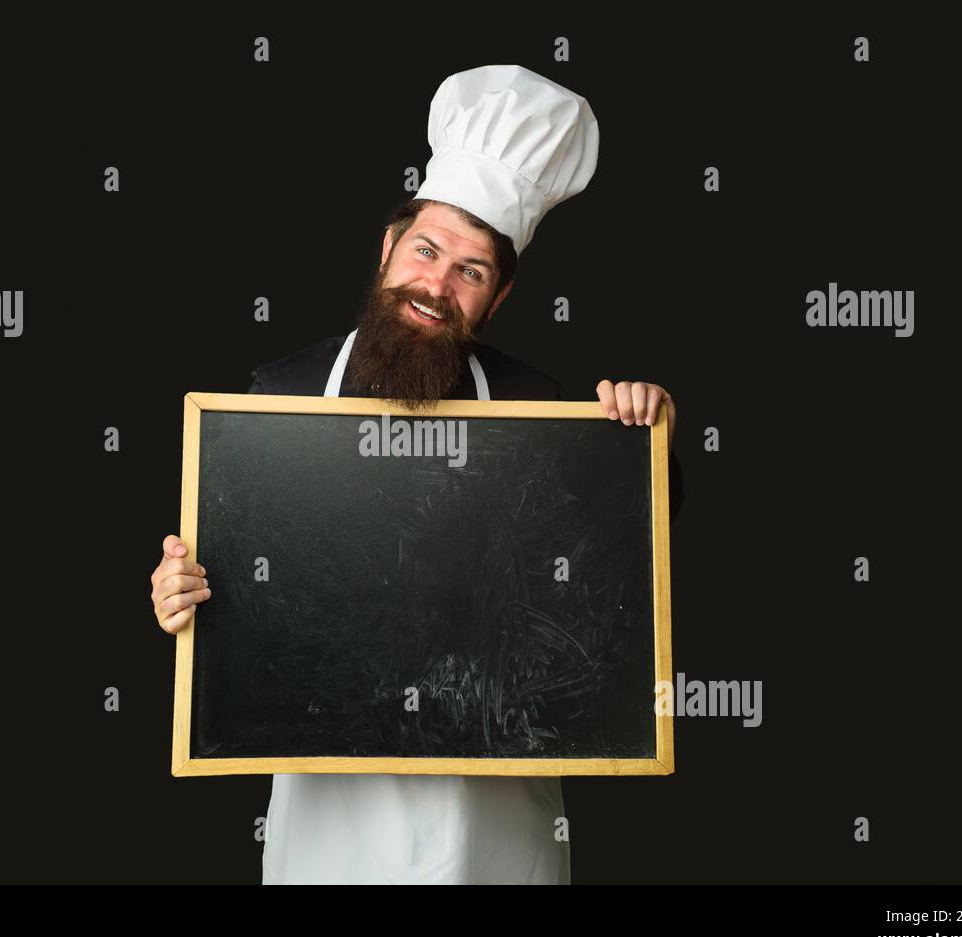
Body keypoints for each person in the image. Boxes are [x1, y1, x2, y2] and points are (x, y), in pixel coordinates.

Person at [148, 65, 684, 884]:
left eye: (470, 271)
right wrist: (179, 596)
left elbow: (616, 579)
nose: (436, 286)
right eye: (427, 251)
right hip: (328, 817)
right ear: (388, 247)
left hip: (497, 816)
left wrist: (641, 442)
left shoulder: (538, 406)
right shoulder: (275, 400)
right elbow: (228, 606)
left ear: (496, 298)